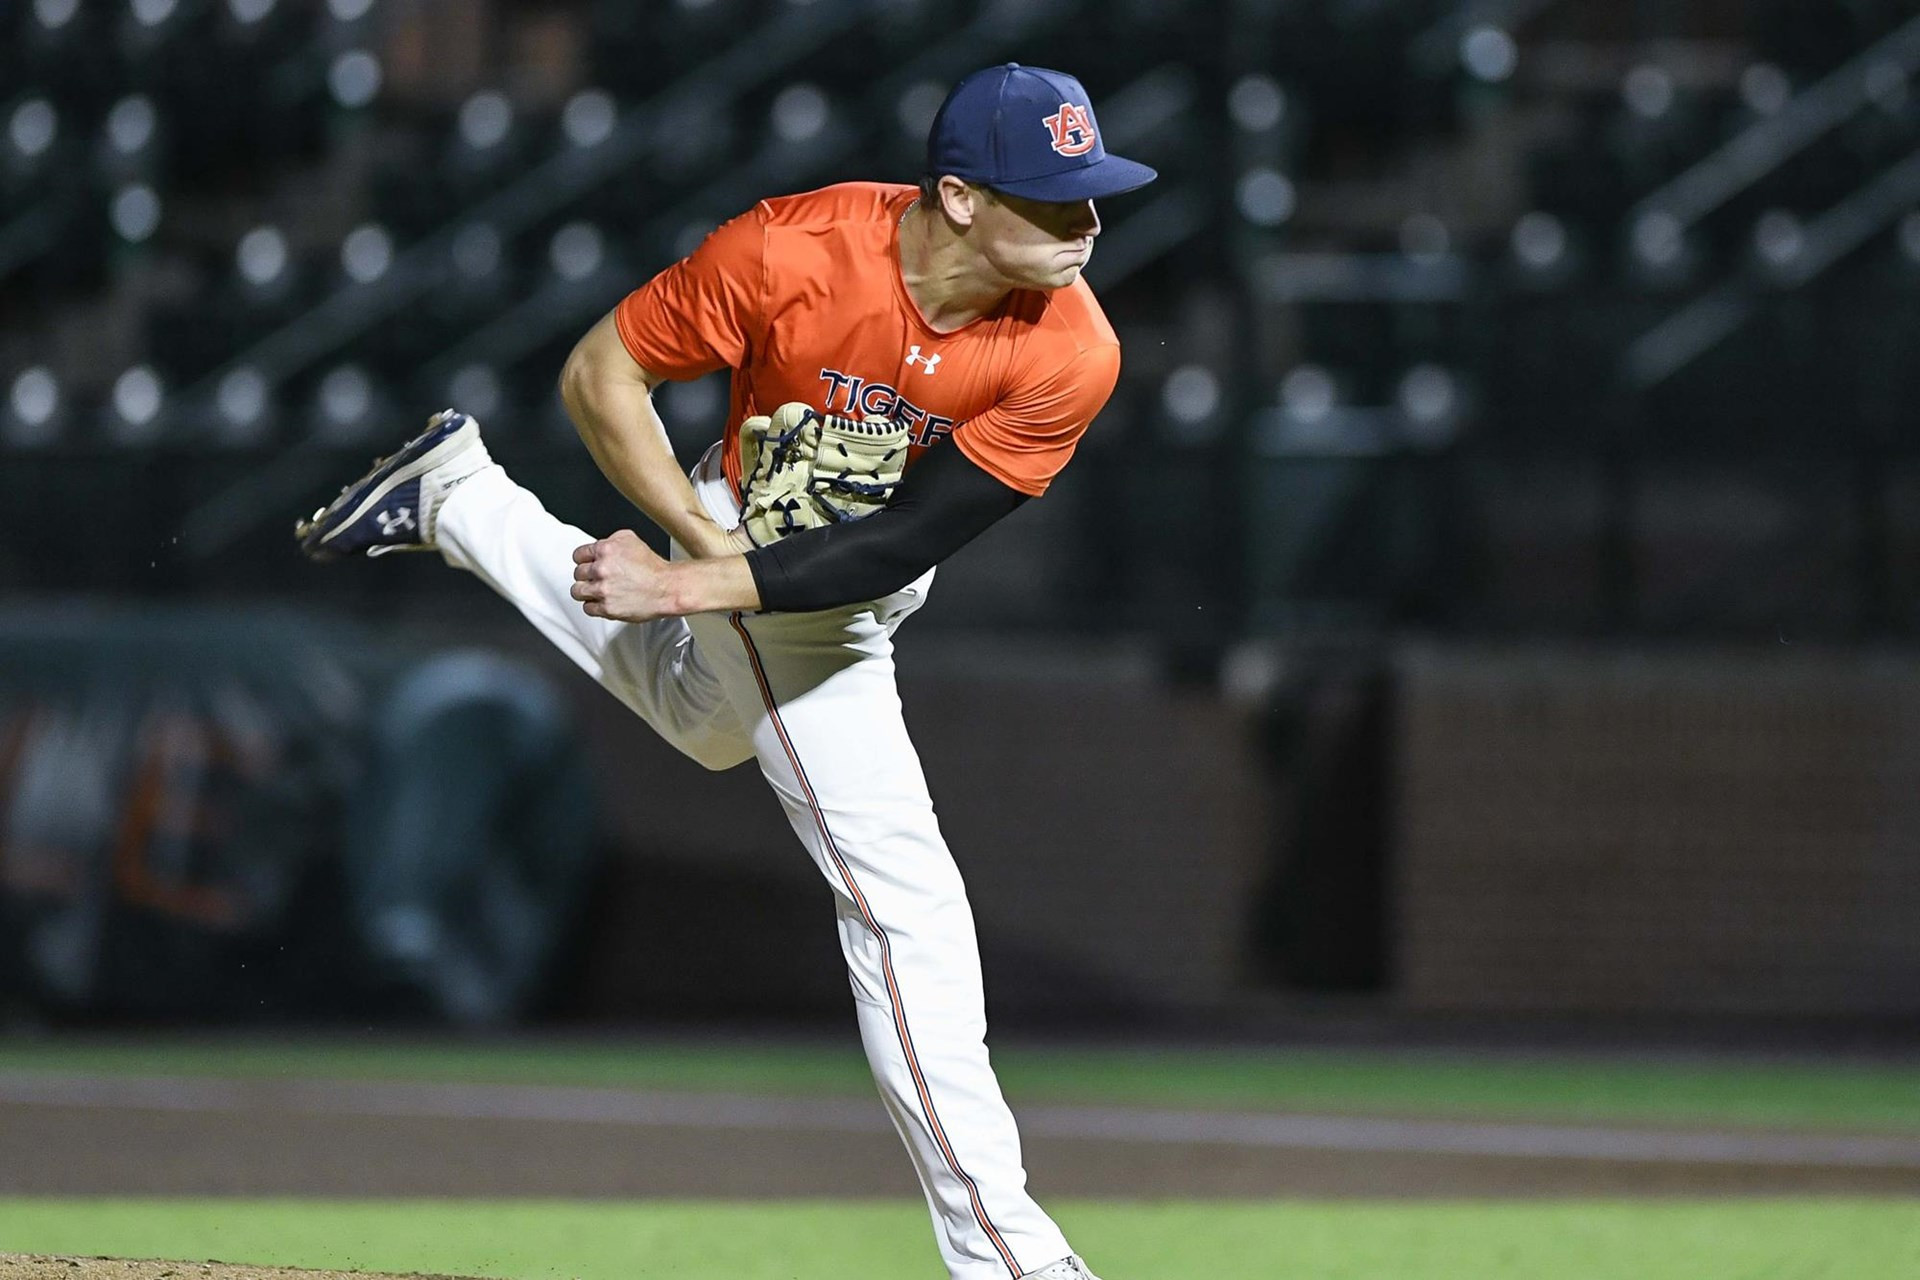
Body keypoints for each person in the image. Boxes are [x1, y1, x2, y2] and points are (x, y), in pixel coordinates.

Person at [296, 63, 1155, 1280]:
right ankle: (1012, 1259)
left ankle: (460, 496)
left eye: (1094, 193)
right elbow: (602, 374)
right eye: (1058, 199)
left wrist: (693, 586)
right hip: (749, 525)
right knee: (905, 897)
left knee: (707, 724)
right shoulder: (792, 250)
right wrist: (704, 552)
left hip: (845, 570)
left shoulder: (1074, 349)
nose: (1090, 223)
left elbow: (899, 543)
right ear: (958, 197)